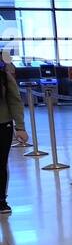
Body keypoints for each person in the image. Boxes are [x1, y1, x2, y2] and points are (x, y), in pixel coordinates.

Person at [1, 56, 29, 215]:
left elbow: (14, 98)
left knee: (1, 164)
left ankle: (1, 200)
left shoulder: (4, 68)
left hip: (2, 123)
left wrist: (20, 127)